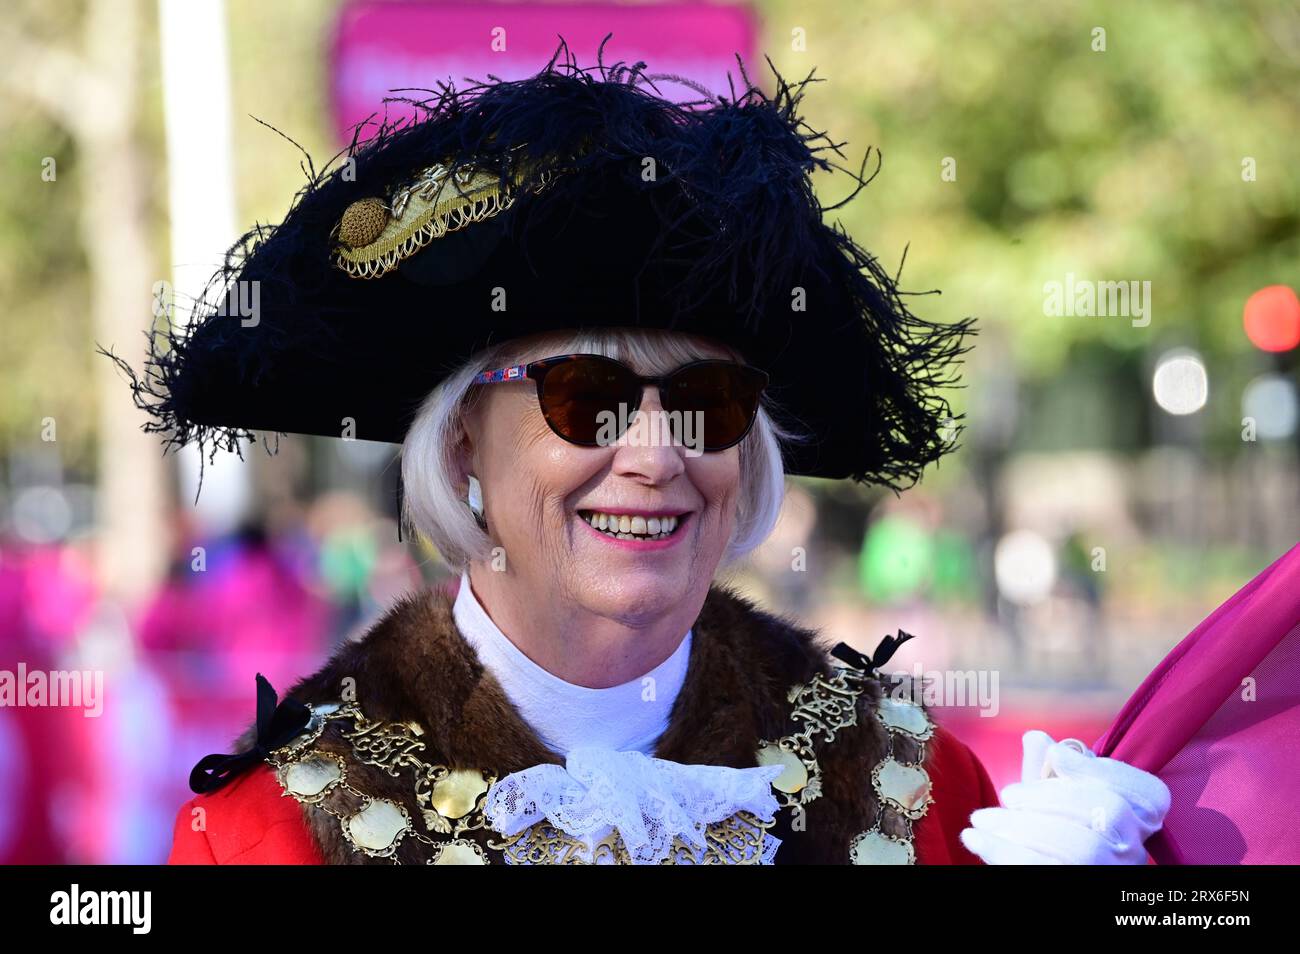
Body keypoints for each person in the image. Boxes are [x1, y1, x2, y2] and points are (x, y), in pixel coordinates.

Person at [108, 50, 1169, 865]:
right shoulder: (278, 824)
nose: (657, 455)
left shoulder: (911, 781)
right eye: (589, 400)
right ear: (464, 438)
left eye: (706, 403)